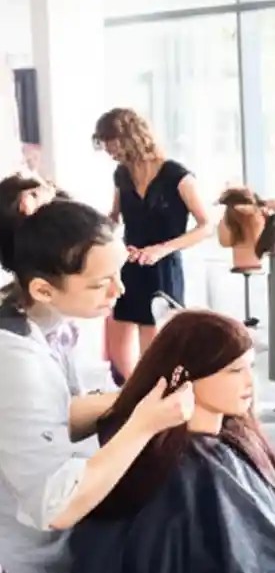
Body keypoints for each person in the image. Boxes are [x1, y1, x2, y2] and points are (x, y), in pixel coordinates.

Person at [70, 310, 275, 573]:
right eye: (233, 371)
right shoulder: (181, 472)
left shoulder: (235, 441)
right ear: (185, 375)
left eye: (250, 367)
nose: (250, 382)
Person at [0, 199, 193, 573]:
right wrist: (143, 423)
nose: (119, 289)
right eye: (99, 283)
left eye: (118, 273)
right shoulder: (16, 359)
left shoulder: (50, 319)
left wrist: (138, 395)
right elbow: (54, 505)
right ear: (43, 288)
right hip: (40, 557)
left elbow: (58, 413)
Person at [94, 107, 212, 380]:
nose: (107, 149)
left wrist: (162, 249)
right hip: (128, 264)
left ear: (128, 136)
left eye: (109, 140)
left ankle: (155, 406)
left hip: (163, 268)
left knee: (155, 350)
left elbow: (207, 226)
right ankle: (129, 400)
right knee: (120, 352)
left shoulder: (177, 176)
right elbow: (114, 218)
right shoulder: (121, 175)